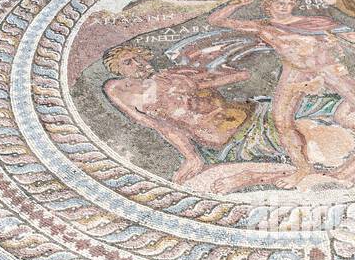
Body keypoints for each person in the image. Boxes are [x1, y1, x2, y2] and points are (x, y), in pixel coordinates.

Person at [207, 0, 355, 180]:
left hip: (327, 68)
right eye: (279, 3)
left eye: (288, 3)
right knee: (281, 121)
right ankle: (302, 167)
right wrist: (238, 3)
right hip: (294, 71)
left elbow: (354, 37)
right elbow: (216, 21)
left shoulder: (316, 22)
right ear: (268, 7)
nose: (284, 6)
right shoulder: (263, 27)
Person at [101, 45, 267, 183]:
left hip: (254, 115)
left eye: (139, 58)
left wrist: (205, 80)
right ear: (117, 69)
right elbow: (161, 126)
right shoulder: (119, 89)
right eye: (128, 62)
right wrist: (191, 156)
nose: (138, 63)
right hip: (229, 141)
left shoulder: (174, 75)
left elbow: (238, 75)